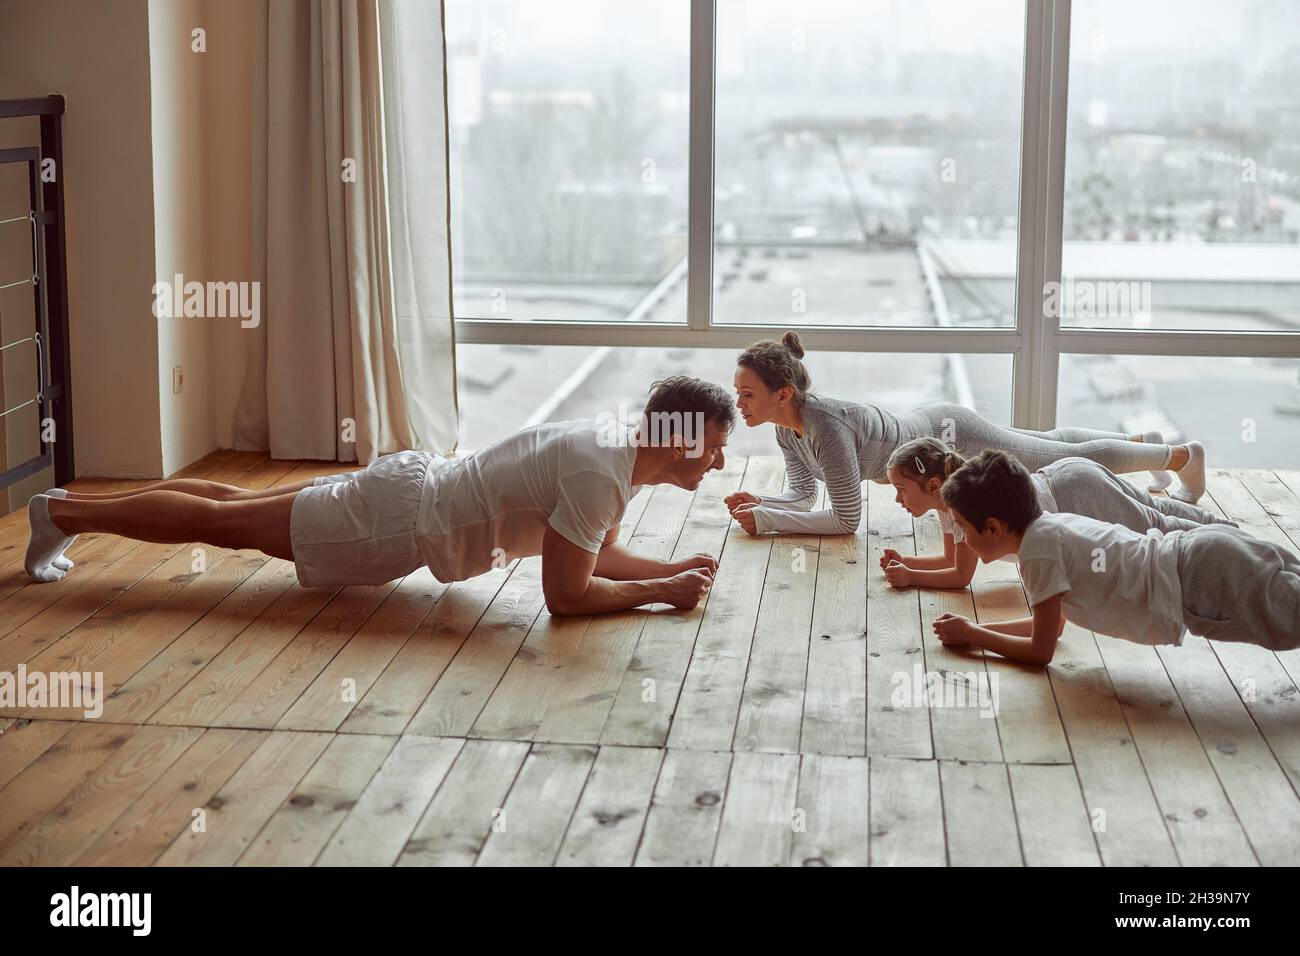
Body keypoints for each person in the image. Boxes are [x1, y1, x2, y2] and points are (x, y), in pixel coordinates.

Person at [24, 377, 731, 617]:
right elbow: (566, 598)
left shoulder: (611, 449)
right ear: (681, 439)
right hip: (395, 521)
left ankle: (66, 512)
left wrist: (669, 572)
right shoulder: (598, 474)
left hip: (411, 488)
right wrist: (659, 596)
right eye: (717, 445)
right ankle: (62, 512)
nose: (722, 460)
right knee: (223, 522)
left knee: (229, 505)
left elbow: (596, 555)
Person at [724, 331, 1207, 536]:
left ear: (783, 393)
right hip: (932, 426)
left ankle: (1181, 456)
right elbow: (805, 494)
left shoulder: (827, 427)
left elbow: (846, 519)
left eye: (747, 394)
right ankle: (1143, 446)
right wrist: (764, 505)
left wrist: (768, 523)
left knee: (1056, 456)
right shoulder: (788, 430)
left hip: (949, 434)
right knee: (1049, 439)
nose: (738, 403)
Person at [929, 450, 1300, 665]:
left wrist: (975, 635)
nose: (960, 536)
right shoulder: (1048, 527)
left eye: (962, 526)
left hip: (1200, 581)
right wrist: (971, 630)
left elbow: (1041, 651)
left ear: (993, 527)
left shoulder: (1037, 555)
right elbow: (1050, 628)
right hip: (1203, 552)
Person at [877, 436, 1238, 590]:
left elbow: (960, 576)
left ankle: (1222, 535)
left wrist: (911, 577)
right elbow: (950, 559)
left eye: (900, 489)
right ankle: (1221, 528)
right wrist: (907, 562)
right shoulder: (950, 503)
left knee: (1151, 523)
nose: (897, 500)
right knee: (1151, 509)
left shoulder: (963, 506)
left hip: (1073, 492)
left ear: (933, 487)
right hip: (1068, 476)